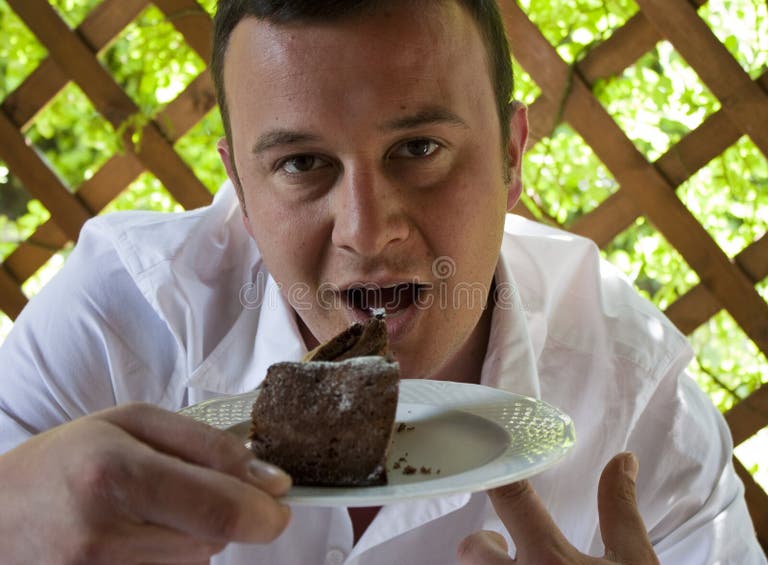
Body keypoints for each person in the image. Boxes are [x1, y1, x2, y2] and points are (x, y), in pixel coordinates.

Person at [0, 0, 764, 563]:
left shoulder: (633, 389)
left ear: (512, 155)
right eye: (302, 163)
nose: (367, 231)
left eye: (420, 146)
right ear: (239, 183)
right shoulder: (118, 316)